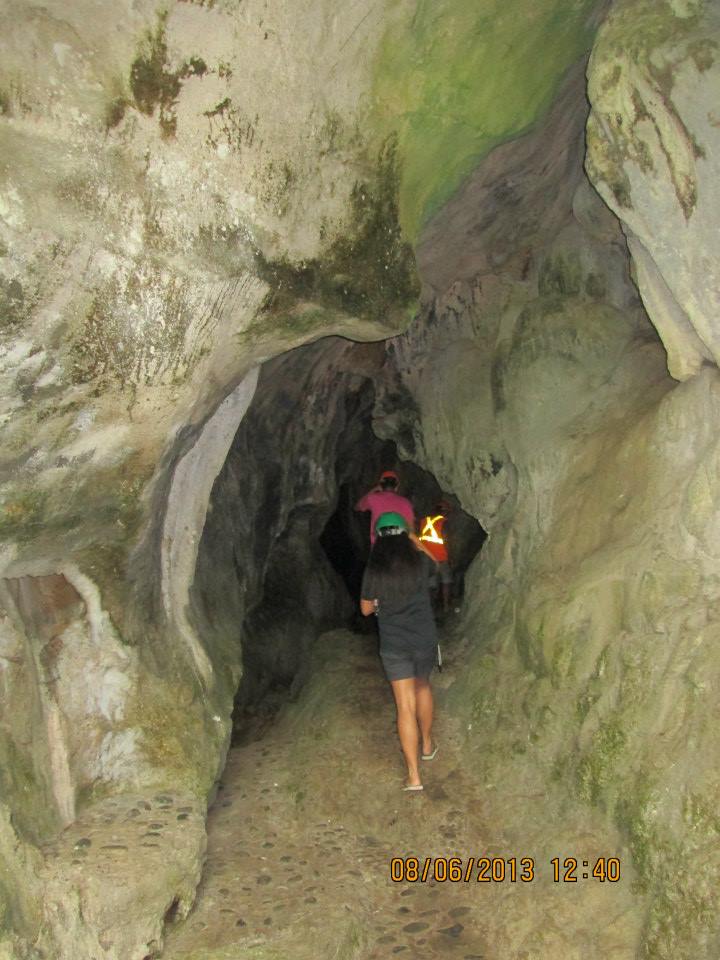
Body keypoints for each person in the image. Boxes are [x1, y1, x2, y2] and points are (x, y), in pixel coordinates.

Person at [360, 511, 439, 791]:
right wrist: (415, 540)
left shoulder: (375, 569)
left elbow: (366, 609)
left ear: (378, 539)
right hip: (423, 638)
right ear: (405, 535)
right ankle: (428, 744)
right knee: (423, 688)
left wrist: (382, 604)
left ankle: (414, 777)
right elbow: (436, 564)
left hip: (394, 644)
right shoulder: (419, 562)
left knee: (404, 706)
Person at [354, 470, 415, 545]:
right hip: (400, 545)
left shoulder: (372, 498)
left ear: (380, 485)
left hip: (378, 546)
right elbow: (411, 530)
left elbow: (357, 507)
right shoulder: (406, 503)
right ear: (396, 486)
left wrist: (375, 489)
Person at [419, 501, 452, 614]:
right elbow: (446, 540)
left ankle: (430, 607)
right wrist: (450, 557)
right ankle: (446, 606)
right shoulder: (443, 522)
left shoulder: (423, 521)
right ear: (444, 512)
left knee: (431, 584)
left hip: (427, 558)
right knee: (445, 582)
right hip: (441, 556)